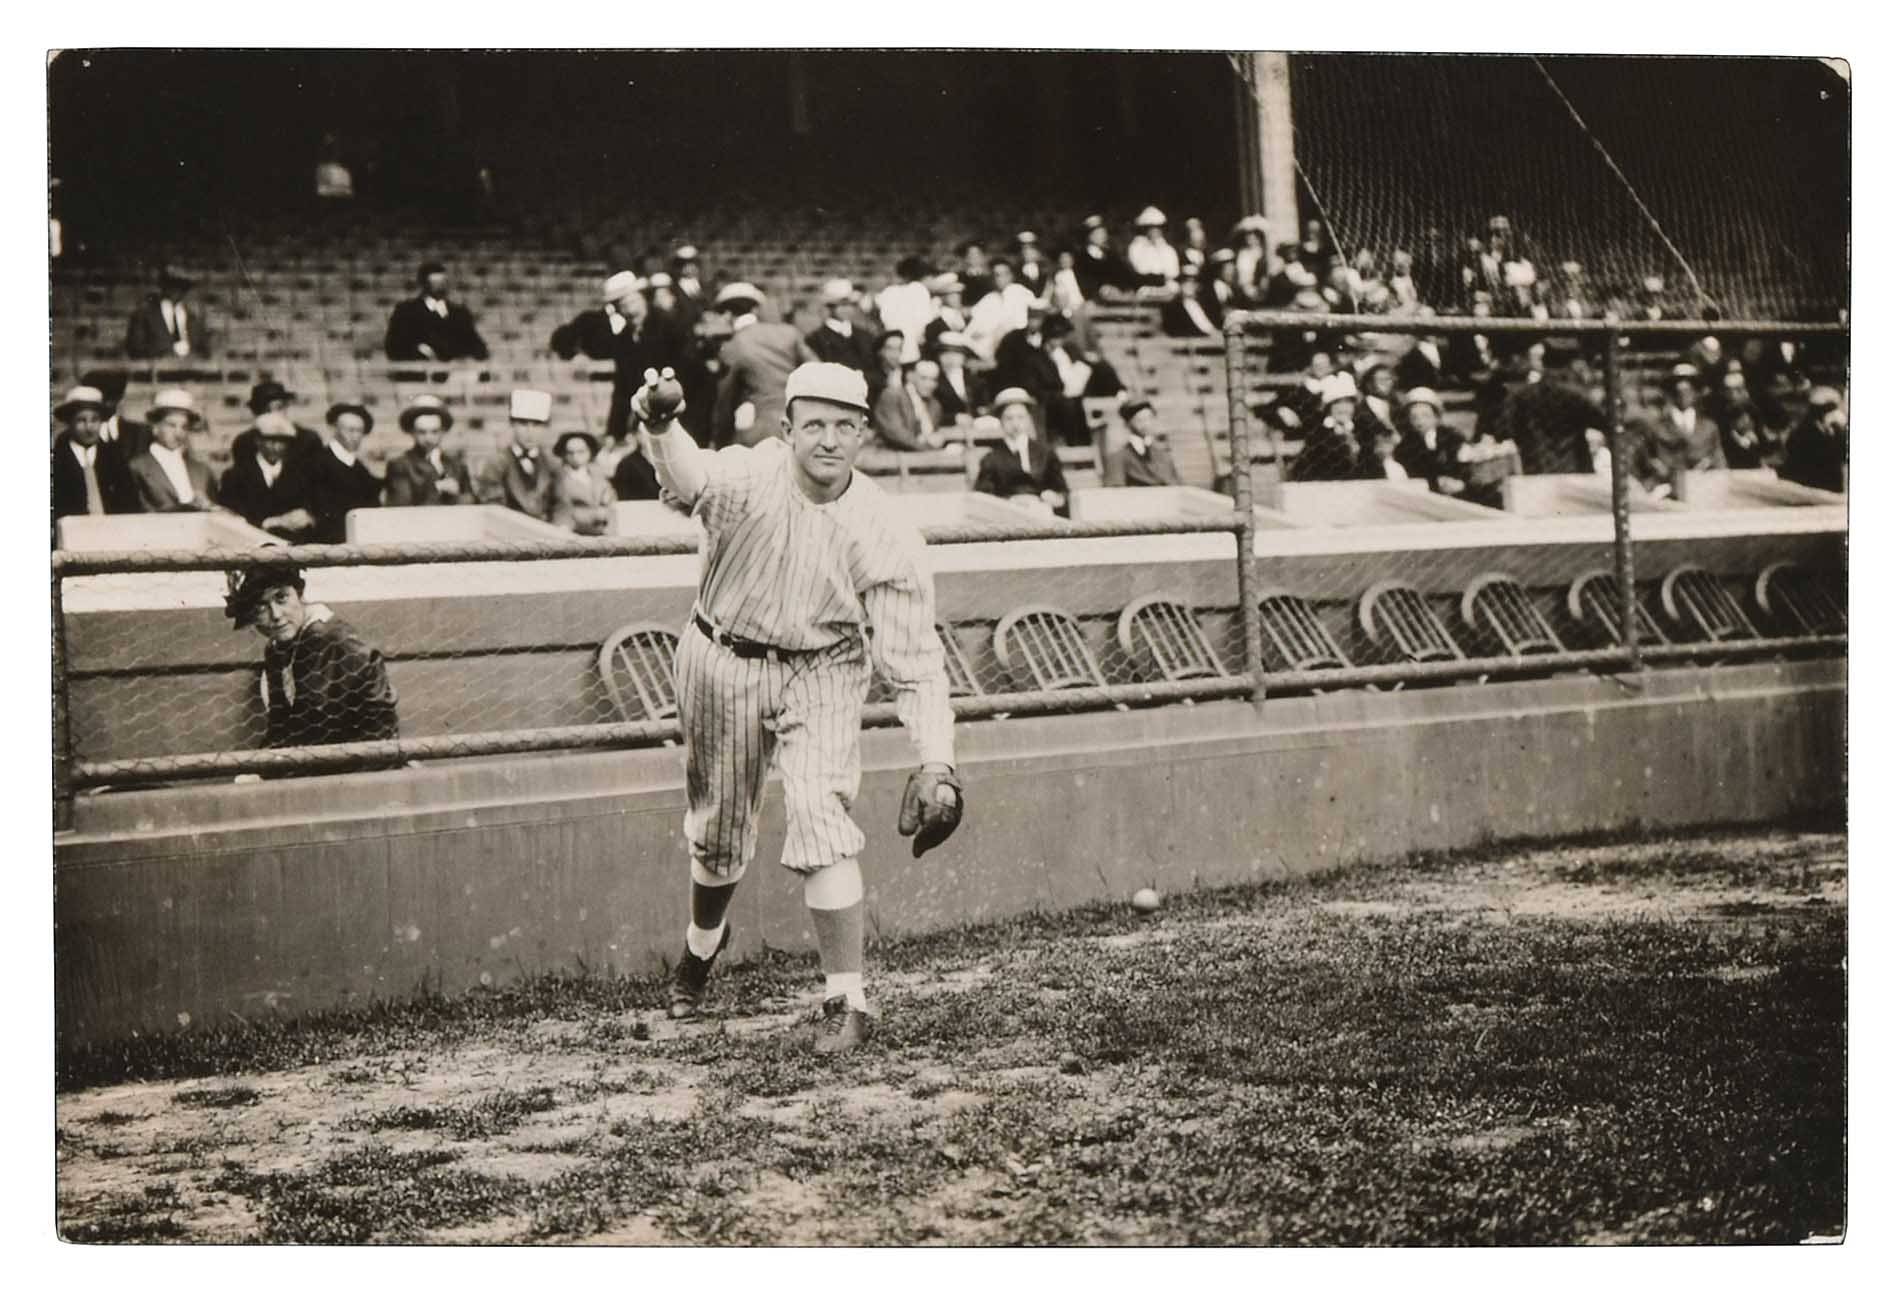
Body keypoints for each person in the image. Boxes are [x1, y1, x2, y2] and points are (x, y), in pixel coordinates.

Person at [627, 361, 963, 1053]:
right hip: (721, 653)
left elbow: (913, 656)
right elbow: (689, 478)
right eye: (813, 424)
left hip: (823, 666)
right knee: (719, 834)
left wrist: (938, 760)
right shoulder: (751, 474)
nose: (829, 439)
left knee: (819, 812)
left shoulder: (886, 527)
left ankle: (848, 1001)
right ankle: (701, 947)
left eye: (844, 425)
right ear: (786, 429)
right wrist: (660, 424)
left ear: (864, 433)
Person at [225, 562, 399, 753]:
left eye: (281, 597)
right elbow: (280, 725)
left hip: (364, 757)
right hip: (317, 756)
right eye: (260, 607)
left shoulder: (326, 637)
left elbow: (317, 726)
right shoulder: (277, 648)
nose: (276, 615)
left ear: (299, 593)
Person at [710, 283, 817, 449]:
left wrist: (719, 441)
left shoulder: (732, 346)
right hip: (800, 423)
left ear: (728, 315)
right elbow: (817, 370)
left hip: (760, 430)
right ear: (755, 310)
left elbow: (725, 402)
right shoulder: (789, 333)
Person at [220, 413, 319, 540]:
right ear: (258, 441)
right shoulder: (235, 476)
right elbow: (230, 518)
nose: (277, 447)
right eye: (271, 441)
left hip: (293, 546)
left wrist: (309, 517)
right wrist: (270, 522)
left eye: (282, 442)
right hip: (251, 544)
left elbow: (313, 510)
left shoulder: (300, 474)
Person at [973, 388, 1069, 516]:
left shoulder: (1045, 453)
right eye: (1009, 418)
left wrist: (1055, 497)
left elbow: (1061, 491)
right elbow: (983, 499)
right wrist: (1008, 501)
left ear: (1029, 419)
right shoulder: (991, 459)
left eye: (1021, 417)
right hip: (1006, 514)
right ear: (1001, 421)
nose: (1015, 424)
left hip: (1041, 512)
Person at [51, 384, 138, 525]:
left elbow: (131, 505)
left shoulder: (114, 458)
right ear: (69, 423)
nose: (89, 427)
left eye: (95, 420)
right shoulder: (56, 461)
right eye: (81, 420)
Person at [127, 389, 219, 512]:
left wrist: (208, 505)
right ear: (155, 427)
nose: (178, 433)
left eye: (184, 427)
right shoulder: (138, 468)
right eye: (171, 425)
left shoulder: (202, 471)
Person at [305, 401, 384, 543]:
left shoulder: (360, 468)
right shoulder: (316, 462)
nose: (356, 436)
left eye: (360, 431)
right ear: (334, 429)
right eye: (350, 430)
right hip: (328, 540)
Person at [384, 261, 489, 362]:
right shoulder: (406, 311)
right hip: (419, 370)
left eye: (443, 281)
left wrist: (463, 357)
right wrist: (419, 350)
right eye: (435, 282)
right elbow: (393, 347)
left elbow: (478, 347)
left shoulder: (460, 313)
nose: (442, 286)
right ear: (423, 284)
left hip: (455, 370)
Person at [478, 389, 557, 520]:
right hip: (509, 527)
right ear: (512, 424)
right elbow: (493, 504)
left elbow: (562, 504)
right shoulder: (497, 462)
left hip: (545, 528)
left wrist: (561, 525)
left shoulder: (552, 463)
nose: (530, 431)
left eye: (536, 425)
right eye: (523, 424)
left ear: (545, 427)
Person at [384, 395, 474, 506]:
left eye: (434, 432)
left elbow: (473, 503)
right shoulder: (400, 465)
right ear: (412, 433)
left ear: (443, 432)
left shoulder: (457, 465)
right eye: (422, 432)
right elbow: (401, 506)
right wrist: (436, 488)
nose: (428, 438)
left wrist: (458, 494)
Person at [1288, 373, 1366, 482]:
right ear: (1329, 408)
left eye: (1348, 403)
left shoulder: (1361, 430)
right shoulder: (1319, 435)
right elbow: (1303, 470)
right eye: (1337, 403)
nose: (1343, 408)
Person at [1393, 388, 1469, 498]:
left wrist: (1461, 483)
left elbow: (1465, 466)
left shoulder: (1452, 438)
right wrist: (1435, 483)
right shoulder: (1405, 447)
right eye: (1414, 417)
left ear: (1436, 417)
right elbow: (1412, 476)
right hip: (1426, 496)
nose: (1420, 422)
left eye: (1425, 415)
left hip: (1459, 492)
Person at [230, 379, 324, 467]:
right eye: (265, 410)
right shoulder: (245, 442)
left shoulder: (308, 439)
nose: (272, 415)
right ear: (256, 413)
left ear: (286, 408)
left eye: (278, 407)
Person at [124, 267, 209, 360]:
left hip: (191, 367)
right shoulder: (143, 315)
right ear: (163, 287)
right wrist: (164, 355)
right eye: (172, 285)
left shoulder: (193, 318)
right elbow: (135, 349)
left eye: (182, 286)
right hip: (156, 367)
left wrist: (192, 357)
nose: (176, 291)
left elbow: (204, 352)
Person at [804, 279, 880, 379]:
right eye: (842, 305)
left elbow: (875, 369)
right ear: (830, 307)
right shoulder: (816, 338)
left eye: (851, 304)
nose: (847, 309)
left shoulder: (865, 335)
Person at [965, 259, 1038, 362]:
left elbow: (1020, 323)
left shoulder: (1020, 292)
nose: (999, 279)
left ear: (1011, 276)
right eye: (996, 275)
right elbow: (974, 319)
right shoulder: (990, 298)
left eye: (1004, 274)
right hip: (988, 344)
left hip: (1013, 343)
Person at [1779, 387, 1847, 494]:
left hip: (1827, 485)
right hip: (1810, 484)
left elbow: (1842, 453)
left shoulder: (1831, 428)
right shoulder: (1805, 429)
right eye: (1831, 409)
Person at [548, 431, 617, 535]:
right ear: (564, 455)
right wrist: (594, 515)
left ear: (590, 452)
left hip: (602, 533)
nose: (575, 456)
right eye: (570, 453)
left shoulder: (598, 476)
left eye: (581, 452)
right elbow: (562, 511)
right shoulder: (559, 479)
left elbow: (611, 499)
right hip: (574, 533)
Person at [1105, 399, 1181, 488]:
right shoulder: (1118, 456)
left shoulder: (1163, 454)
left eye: (1149, 418)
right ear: (1127, 423)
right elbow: (1115, 489)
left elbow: (1177, 485)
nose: (1146, 424)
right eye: (1140, 420)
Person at [872, 360, 945, 451]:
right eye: (923, 378)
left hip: (921, 455)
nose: (929, 384)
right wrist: (928, 447)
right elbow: (896, 433)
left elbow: (932, 435)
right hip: (888, 454)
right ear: (911, 377)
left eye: (934, 380)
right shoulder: (892, 396)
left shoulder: (935, 405)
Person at [874, 255, 935, 365]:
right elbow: (925, 320)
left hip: (891, 342)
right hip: (911, 342)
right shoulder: (920, 290)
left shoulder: (888, 291)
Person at [81, 369, 151, 460]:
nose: (107, 404)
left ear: (120, 397)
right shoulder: (78, 433)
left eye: (112, 397)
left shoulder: (141, 433)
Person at [1073, 214, 1131, 300]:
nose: (1103, 236)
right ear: (1089, 236)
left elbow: (1125, 276)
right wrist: (1102, 290)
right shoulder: (1081, 258)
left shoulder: (1111, 255)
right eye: (1098, 233)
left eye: (1103, 232)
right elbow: (1084, 284)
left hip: (1118, 299)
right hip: (1094, 301)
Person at [931, 332, 982, 424]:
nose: (950, 358)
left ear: (964, 356)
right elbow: (928, 413)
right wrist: (953, 418)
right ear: (938, 356)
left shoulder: (976, 381)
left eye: (956, 353)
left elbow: (982, 407)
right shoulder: (934, 380)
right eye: (945, 353)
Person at [1160, 261, 1221, 339]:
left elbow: (1214, 326)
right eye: (1186, 282)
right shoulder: (1171, 308)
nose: (1190, 286)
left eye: (1194, 282)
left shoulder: (1207, 304)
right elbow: (1173, 333)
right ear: (1180, 284)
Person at [1126, 207, 1180, 287]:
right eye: (1151, 227)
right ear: (1145, 229)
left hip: (1165, 286)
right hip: (1145, 286)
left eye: (1158, 227)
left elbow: (1173, 272)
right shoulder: (1136, 248)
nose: (1155, 230)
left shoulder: (1168, 249)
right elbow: (1140, 270)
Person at [920, 273, 969, 359]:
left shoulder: (964, 319)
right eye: (952, 295)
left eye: (958, 294)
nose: (957, 298)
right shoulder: (934, 325)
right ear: (942, 298)